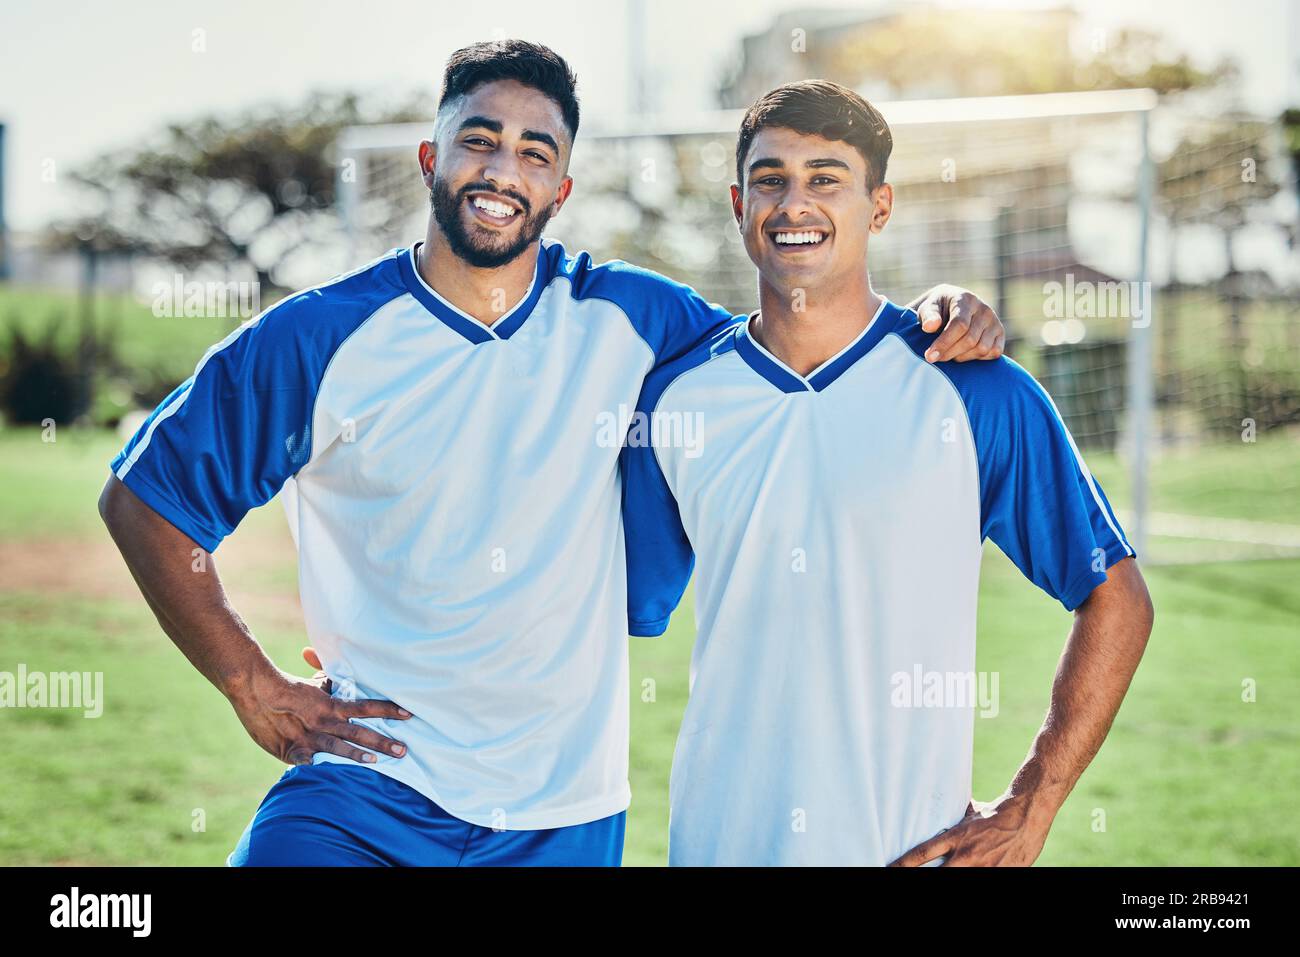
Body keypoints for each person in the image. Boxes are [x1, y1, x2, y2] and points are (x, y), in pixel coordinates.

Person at [99, 41, 1007, 867]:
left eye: (536, 153)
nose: (503, 170)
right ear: (432, 158)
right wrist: (247, 679)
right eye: (479, 140)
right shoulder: (320, 337)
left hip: (561, 815)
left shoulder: (636, 319)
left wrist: (939, 307)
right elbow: (145, 497)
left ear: (562, 189)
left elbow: (793, 331)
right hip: (363, 789)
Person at [620, 79, 1155, 866]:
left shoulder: (975, 386)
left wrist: (1029, 807)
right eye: (771, 179)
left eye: (826, 179)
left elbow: (1117, 600)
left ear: (880, 206)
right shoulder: (675, 399)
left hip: (905, 848)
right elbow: (605, 600)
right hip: (716, 844)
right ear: (738, 203)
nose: (794, 203)